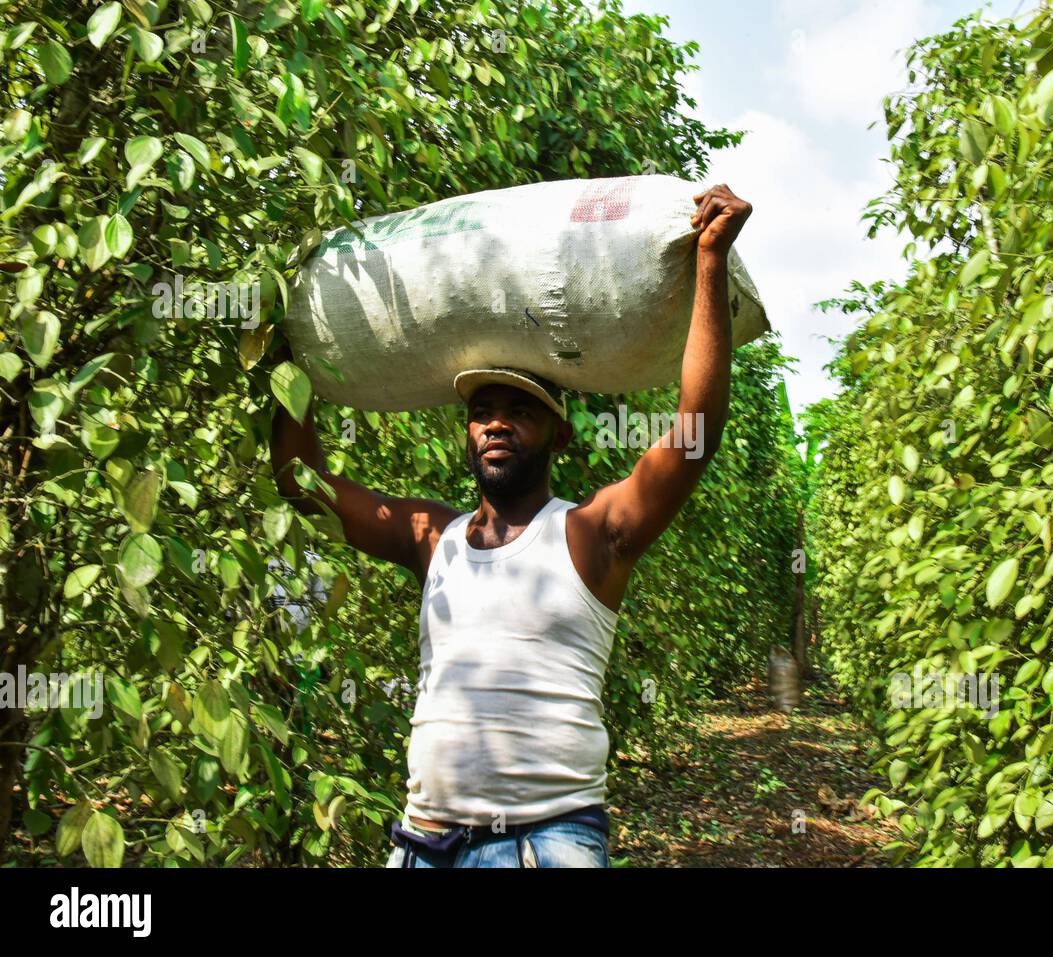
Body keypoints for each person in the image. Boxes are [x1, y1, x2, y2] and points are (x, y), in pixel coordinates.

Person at [270, 184, 752, 867]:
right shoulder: (429, 537)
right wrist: (289, 347)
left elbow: (695, 436)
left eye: (518, 410)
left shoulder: (594, 534)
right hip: (423, 842)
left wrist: (708, 262)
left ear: (558, 434)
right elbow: (301, 485)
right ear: (466, 434)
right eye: (482, 409)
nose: (496, 421)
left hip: (545, 844)